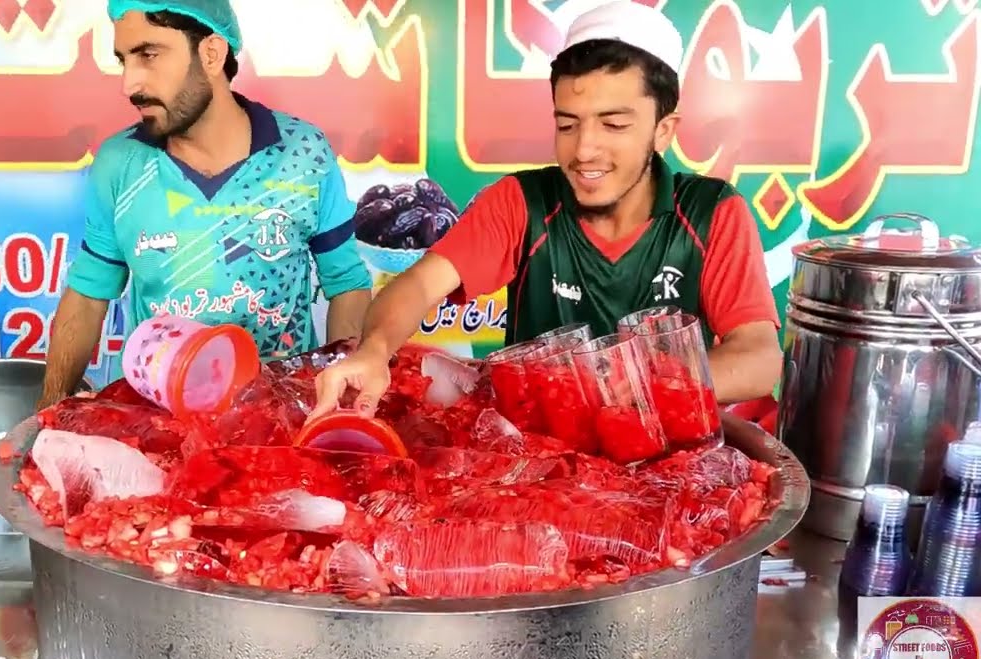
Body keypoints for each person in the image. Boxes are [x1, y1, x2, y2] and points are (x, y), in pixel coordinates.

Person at [310, 1, 782, 419]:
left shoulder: (710, 212)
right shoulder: (522, 201)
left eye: (614, 124)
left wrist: (648, 385)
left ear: (663, 130)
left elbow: (759, 358)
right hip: (536, 465)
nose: (585, 150)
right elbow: (415, 288)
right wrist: (374, 350)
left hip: (664, 463)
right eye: (568, 125)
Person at [39, 0, 373, 408]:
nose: (129, 83)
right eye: (124, 59)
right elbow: (89, 298)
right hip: (156, 422)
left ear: (211, 54)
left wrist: (338, 408)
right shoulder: (119, 165)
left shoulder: (303, 153)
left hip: (278, 426)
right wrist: (46, 415)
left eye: (149, 55)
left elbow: (348, 285)